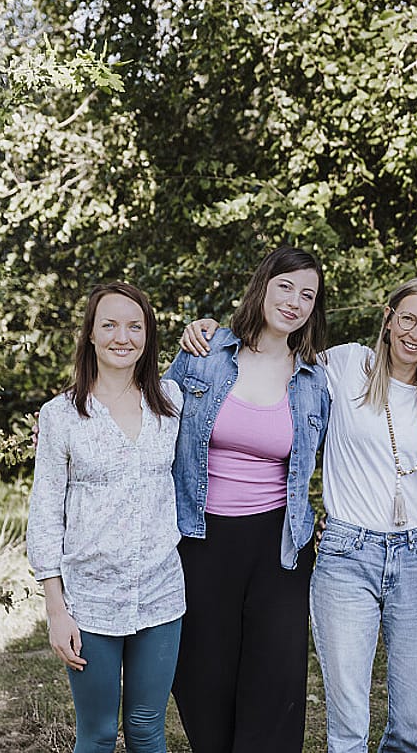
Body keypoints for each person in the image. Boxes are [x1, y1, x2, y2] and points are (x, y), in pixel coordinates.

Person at [181, 276, 417, 753]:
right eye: (407, 318)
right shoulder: (344, 365)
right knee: (349, 719)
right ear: (387, 319)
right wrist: (211, 331)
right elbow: (270, 357)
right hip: (349, 551)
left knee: (412, 719)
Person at [166, 246, 330, 752]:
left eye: (308, 294)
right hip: (200, 536)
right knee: (201, 678)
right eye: (286, 286)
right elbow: (146, 415)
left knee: (273, 684)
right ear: (263, 285)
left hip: (278, 546)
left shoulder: (314, 379)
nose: (295, 301)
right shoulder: (205, 352)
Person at [27, 282, 185, 753]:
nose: (123, 336)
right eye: (110, 324)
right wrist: (56, 609)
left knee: (145, 726)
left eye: (135, 326)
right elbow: (44, 512)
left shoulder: (171, 402)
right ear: (91, 336)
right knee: (96, 734)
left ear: (148, 336)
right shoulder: (61, 415)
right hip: (89, 598)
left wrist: (207, 329)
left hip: (160, 592)